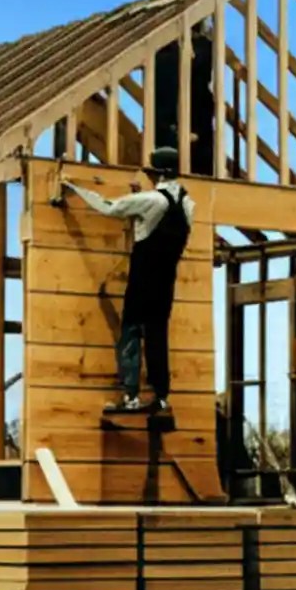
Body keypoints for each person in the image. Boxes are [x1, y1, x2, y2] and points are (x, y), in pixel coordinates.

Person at [60, 146, 195, 415]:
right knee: (157, 336)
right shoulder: (189, 204)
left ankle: (131, 396)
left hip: (143, 278)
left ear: (156, 174)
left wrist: (74, 189)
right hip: (166, 281)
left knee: (131, 332)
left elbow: (110, 208)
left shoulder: (152, 200)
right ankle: (161, 397)